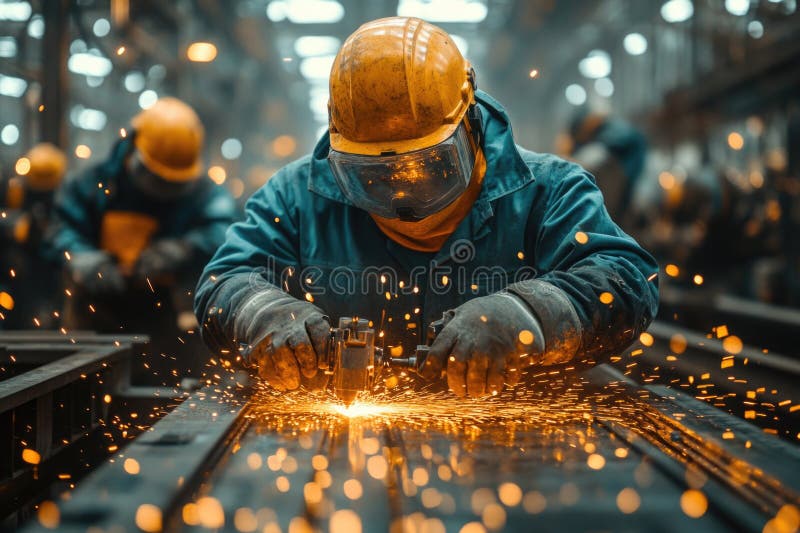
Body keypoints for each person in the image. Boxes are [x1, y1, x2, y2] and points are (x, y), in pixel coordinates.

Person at [194, 17, 659, 398]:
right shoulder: (297, 197)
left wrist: (527, 315)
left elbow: (626, 279)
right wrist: (264, 312)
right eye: (372, 177)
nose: (402, 200)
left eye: (430, 168)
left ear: (469, 121)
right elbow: (225, 281)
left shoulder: (549, 191)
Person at [50, 97, 236, 382]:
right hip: (95, 317)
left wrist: (185, 248)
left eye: (172, 184)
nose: (162, 190)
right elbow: (59, 228)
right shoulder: (93, 184)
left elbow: (225, 229)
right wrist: (81, 257)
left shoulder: (202, 193)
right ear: (131, 148)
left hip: (167, 321)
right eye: (156, 179)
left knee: (164, 392)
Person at [0, 143, 67, 329]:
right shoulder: (13, 191)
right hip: (18, 263)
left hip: (48, 265)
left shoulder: (61, 196)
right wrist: (13, 224)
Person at [564, 110, 648, 227]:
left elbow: (597, 154)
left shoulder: (612, 134)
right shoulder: (613, 134)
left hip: (625, 186)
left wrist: (570, 160)